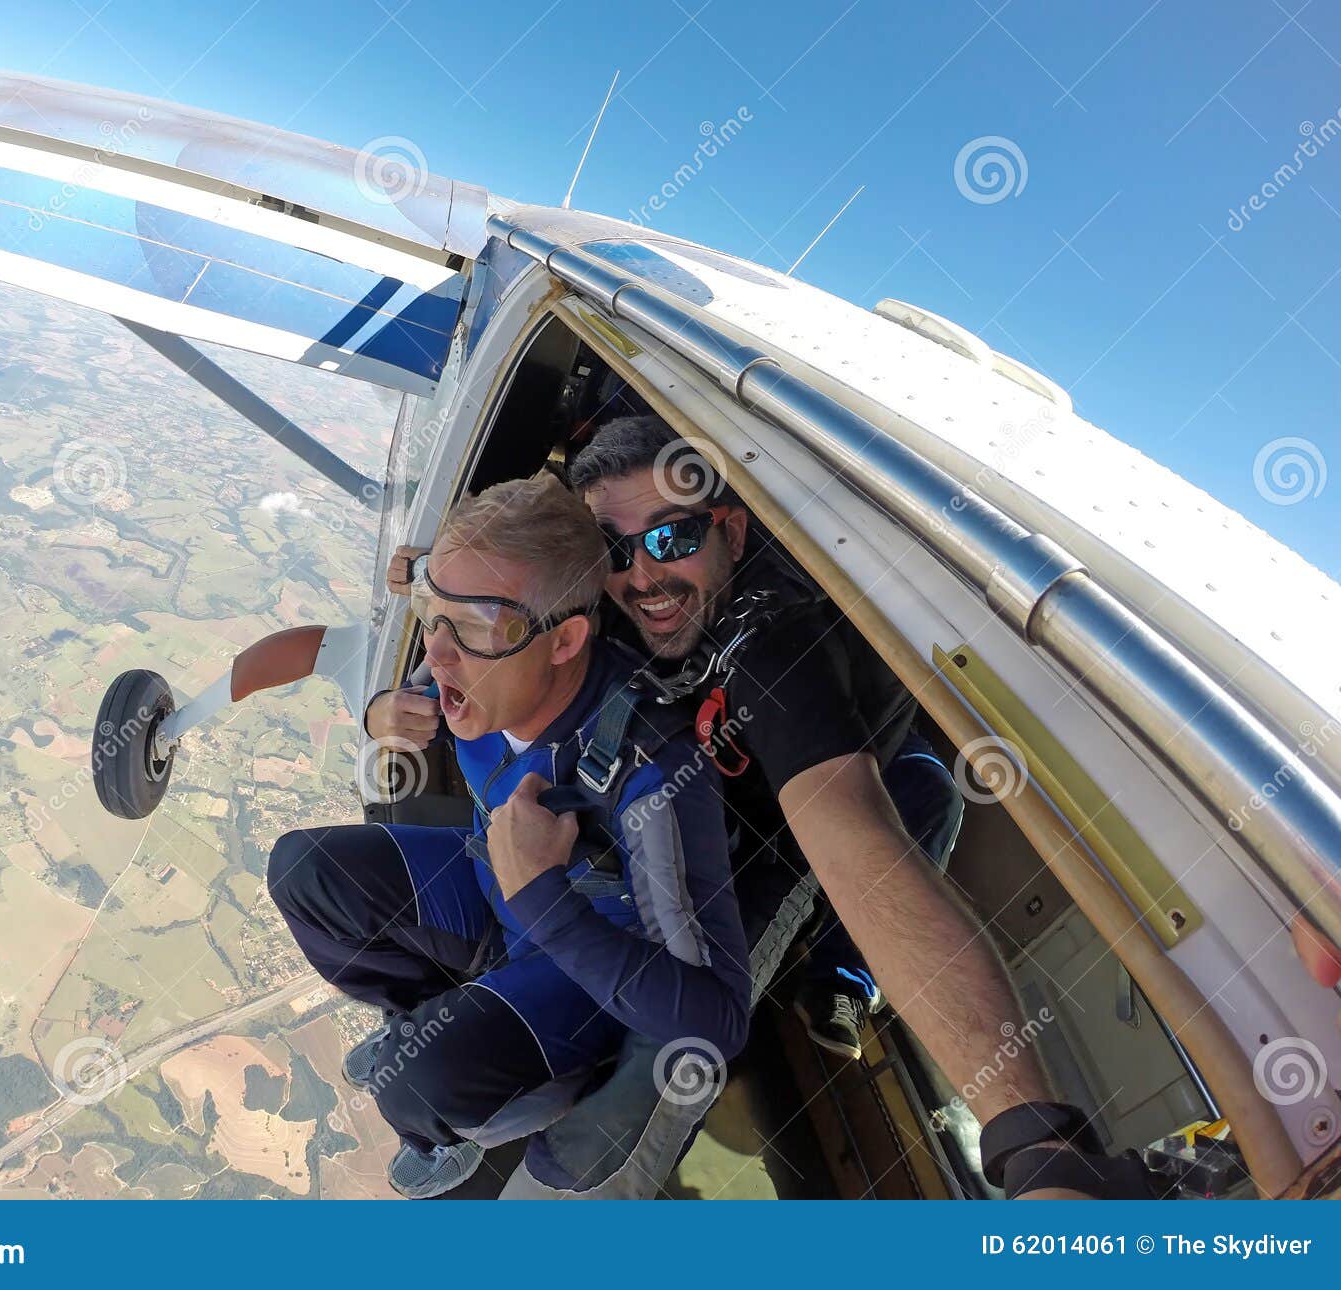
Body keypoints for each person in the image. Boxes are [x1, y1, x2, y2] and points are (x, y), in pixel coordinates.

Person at [553, 414, 1160, 1199]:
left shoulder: (769, 641)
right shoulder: (613, 589)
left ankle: (835, 977)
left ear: (732, 534)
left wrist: (1032, 1140)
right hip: (743, 783)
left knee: (914, 804)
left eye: (673, 540)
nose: (641, 576)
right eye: (615, 549)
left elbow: (854, 838)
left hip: (811, 789)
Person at [267, 472, 750, 1199]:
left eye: (478, 625)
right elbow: (448, 644)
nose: (439, 652)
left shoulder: (654, 775)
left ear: (566, 642)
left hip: (584, 958)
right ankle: (430, 1017)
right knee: (303, 869)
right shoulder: (478, 664)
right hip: (499, 889)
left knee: (415, 1088)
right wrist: (380, 711)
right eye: (434, 613)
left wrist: (545, 902)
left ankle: (448, 1132)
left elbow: (715, 1020)